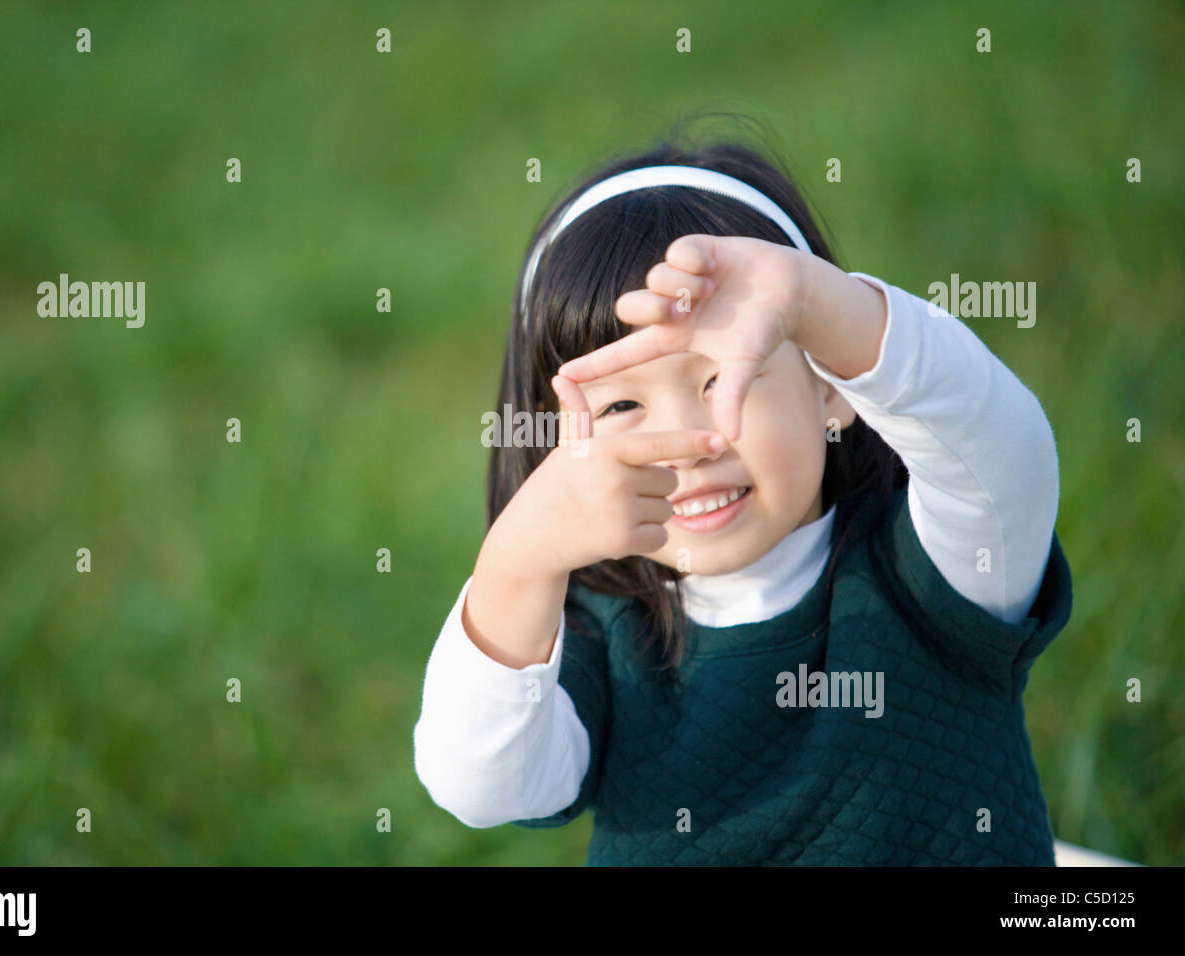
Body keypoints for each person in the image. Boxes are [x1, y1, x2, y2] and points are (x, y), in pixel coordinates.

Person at [412, 128, 1072, 865]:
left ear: (828, 384)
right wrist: (515, 564)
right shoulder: (595, 637)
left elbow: (1001, 447)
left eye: (722, 379)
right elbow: (481, 786)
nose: (688, 443)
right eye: (621, 406)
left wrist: (822, 302)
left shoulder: (938, 570)